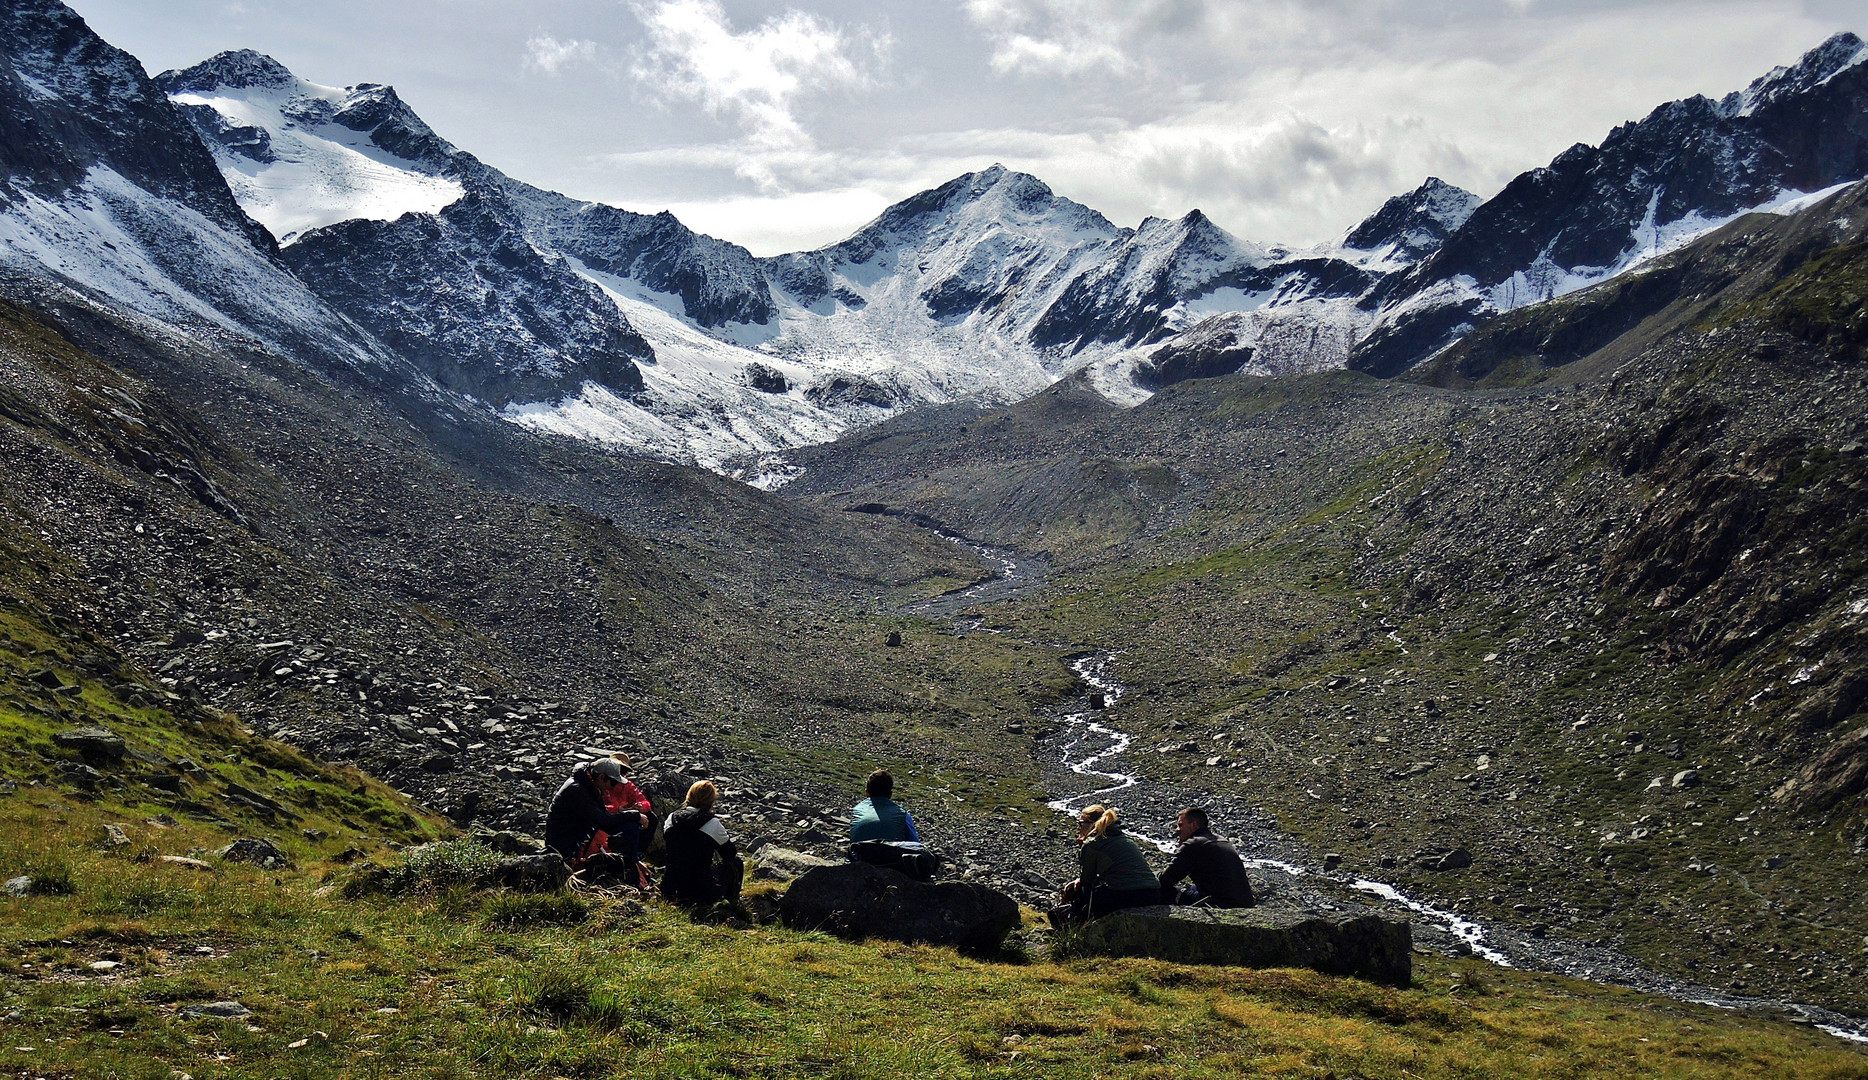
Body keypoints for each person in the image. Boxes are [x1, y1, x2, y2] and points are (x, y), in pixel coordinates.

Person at [1056, 804, 1159, 924]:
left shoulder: (1092, 844)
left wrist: (1073, 886)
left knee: (1080, 891)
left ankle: (1071, 926)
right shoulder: (1124, 838)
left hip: (1129, 895)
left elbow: (1087, 881)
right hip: (1153, 893)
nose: (1078, 828)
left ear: (1091, 824)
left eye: (1081, 823)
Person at [543, 758, 641, 872]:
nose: (612, 788)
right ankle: (630, 868)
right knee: (629, 828)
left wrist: (632, 816)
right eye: (613, 782)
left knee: (630, 827)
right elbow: (602, 822)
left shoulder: (589, 785)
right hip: (566, 847)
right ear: (602, 777)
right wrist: (635, 815)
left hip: (578, 838)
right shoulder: (577, 789)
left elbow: (604, 816)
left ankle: (633, 863)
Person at [661, 779, 743, 907]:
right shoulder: (712, 823)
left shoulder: (671, 818)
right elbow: (730, 854)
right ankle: (732, 903)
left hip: (670, 890)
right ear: (711, 801)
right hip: (700, 893)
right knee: (735, 863)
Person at [578, 753, 655, 884]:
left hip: (616, 817)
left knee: (651, 819)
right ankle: (632, 862)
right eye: (619, 769)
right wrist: (619, 810)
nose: (621, 774)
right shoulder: (600, 787)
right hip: (608, 820)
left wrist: (640, 807)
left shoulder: (626, 785)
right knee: (631, 827)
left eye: (624, 771)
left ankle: (636, 855)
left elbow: (645, 803)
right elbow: (600, 812)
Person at [1158, 806, 1255, 908]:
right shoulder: (1222, 840)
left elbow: (1165, 880)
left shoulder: (1193, 844)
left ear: (1194, 824)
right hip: (1245, 902)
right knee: (1192, 888)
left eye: (1180, 825)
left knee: (1164, 892)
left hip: (1219, 903)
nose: (1177, 830)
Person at [849, 769, 920, 842]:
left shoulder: (857, 810)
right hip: (891, 852)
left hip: (859, 852)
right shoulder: (902, 815)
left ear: (867, 792)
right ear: (890, 795)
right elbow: (915, 845)